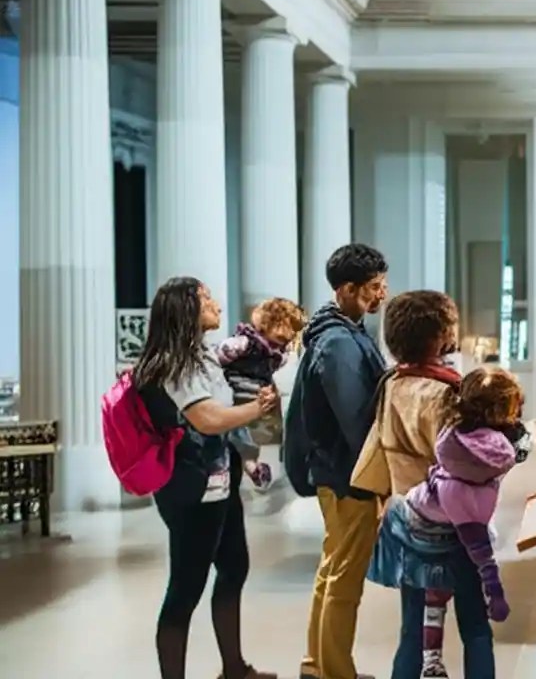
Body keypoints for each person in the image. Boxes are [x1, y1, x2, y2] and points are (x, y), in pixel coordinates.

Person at [133, 277, 278, 679]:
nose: (215, 304)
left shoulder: (200, 356)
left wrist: (246, 458)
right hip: (191, 487)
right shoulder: (174, 362)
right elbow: (207, 418)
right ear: (185, 309)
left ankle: (234, 667)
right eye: (206, 299)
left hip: (217, 477)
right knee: (185, 587)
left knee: (234, 566)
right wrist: (258, 409)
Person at [367, 366, 524, 679]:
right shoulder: (492, 465)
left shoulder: (449, 439)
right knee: (476, 630)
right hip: (458, 545)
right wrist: (494, 590)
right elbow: (476, 541)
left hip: (414, 534)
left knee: (411, 633)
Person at [349, 290, 463, 679]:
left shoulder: (392, 383)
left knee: (410, 624)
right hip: (444, 518)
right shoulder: (447, 390)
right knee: (462, 618)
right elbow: (457, 458)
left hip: (401, 513)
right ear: (439, 335)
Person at [291, 244, 389, 679]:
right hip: (348, 475)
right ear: (346, 289)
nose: (381, 295)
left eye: (383, 285)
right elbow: (356, 421)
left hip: (335, 471)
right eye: (372, 288)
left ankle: (317, 664)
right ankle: (335, 671)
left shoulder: (340, 331)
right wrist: (379, 480)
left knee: (332, 569)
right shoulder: (337, 342)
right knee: (345, 582)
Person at [214, 297, 306, 491]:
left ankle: (249, 465)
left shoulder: (277, 354)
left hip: (255, 400)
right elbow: (215, 360)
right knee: (234, 432)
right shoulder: (243, 343)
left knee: (244, 434)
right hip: (230, 395)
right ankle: (249, 466)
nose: (288, 335)